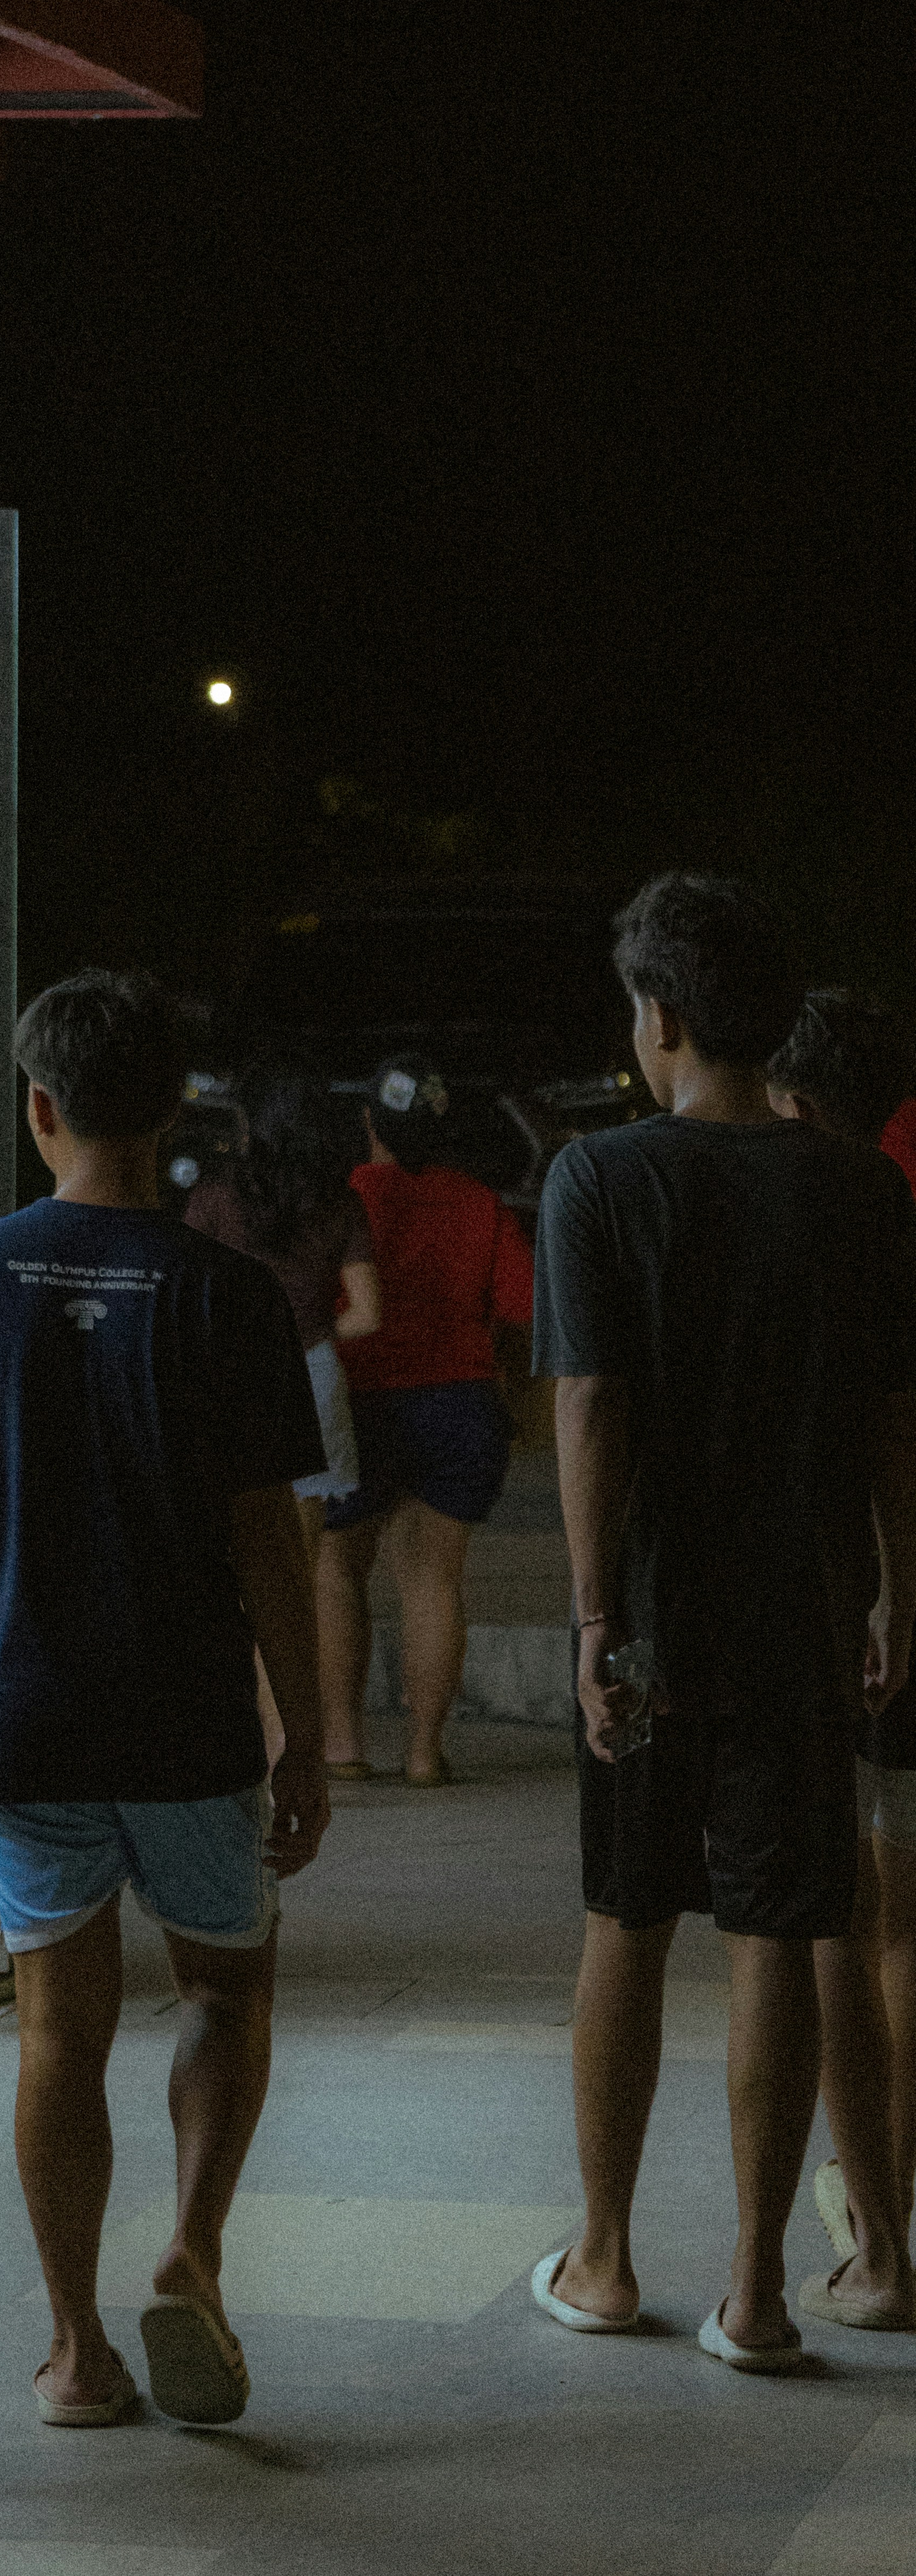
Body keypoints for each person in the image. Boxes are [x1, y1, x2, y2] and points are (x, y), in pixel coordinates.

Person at [0, 969, 330, 2431]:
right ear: (174, 1120)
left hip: (20, 1713)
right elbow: (265, 1539)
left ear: (39, 1111)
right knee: (223, 1990)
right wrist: (307, 1733)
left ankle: (75, 2351)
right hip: (187, 1720)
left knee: (56, 2031)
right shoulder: (227, 1296)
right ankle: (191, 2255)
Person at [532, 875, 916, 2366]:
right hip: (806, 1617)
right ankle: (759, 2292)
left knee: (627, 1920)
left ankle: (611, 2260)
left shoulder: (602, 1180)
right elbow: (897, 1416)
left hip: (650, 1619)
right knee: (780, 1930)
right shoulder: (862, 1191)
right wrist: (897, 1583)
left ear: (665, 1017)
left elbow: (587, 1407)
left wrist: (587, 1616)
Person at [767, 987, 916, 2317]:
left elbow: (880, 1427)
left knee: (854, 1917)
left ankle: (882, 2237)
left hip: (859, 1595)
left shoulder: (836, 1215)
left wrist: (887, 1592)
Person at [313, 1064, 535, 1785]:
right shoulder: (480, 1204)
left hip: (363, 1401)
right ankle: (423, 1752)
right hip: (461, 1404)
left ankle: (343, 1745)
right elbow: (523, 1309)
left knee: (338, 1572)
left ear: (371, 1124)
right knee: (435, 1580)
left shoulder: (344, 1198)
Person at [184, 1066, 383, 1531]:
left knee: (232, 1532)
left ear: (253, 1126)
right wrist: (312, 1329)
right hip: (313, 1372)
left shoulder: (214, 1199)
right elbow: (367, 1314)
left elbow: (184, 1304)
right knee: (302, 1549)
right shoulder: (341, 1204)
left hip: (227, 1378)